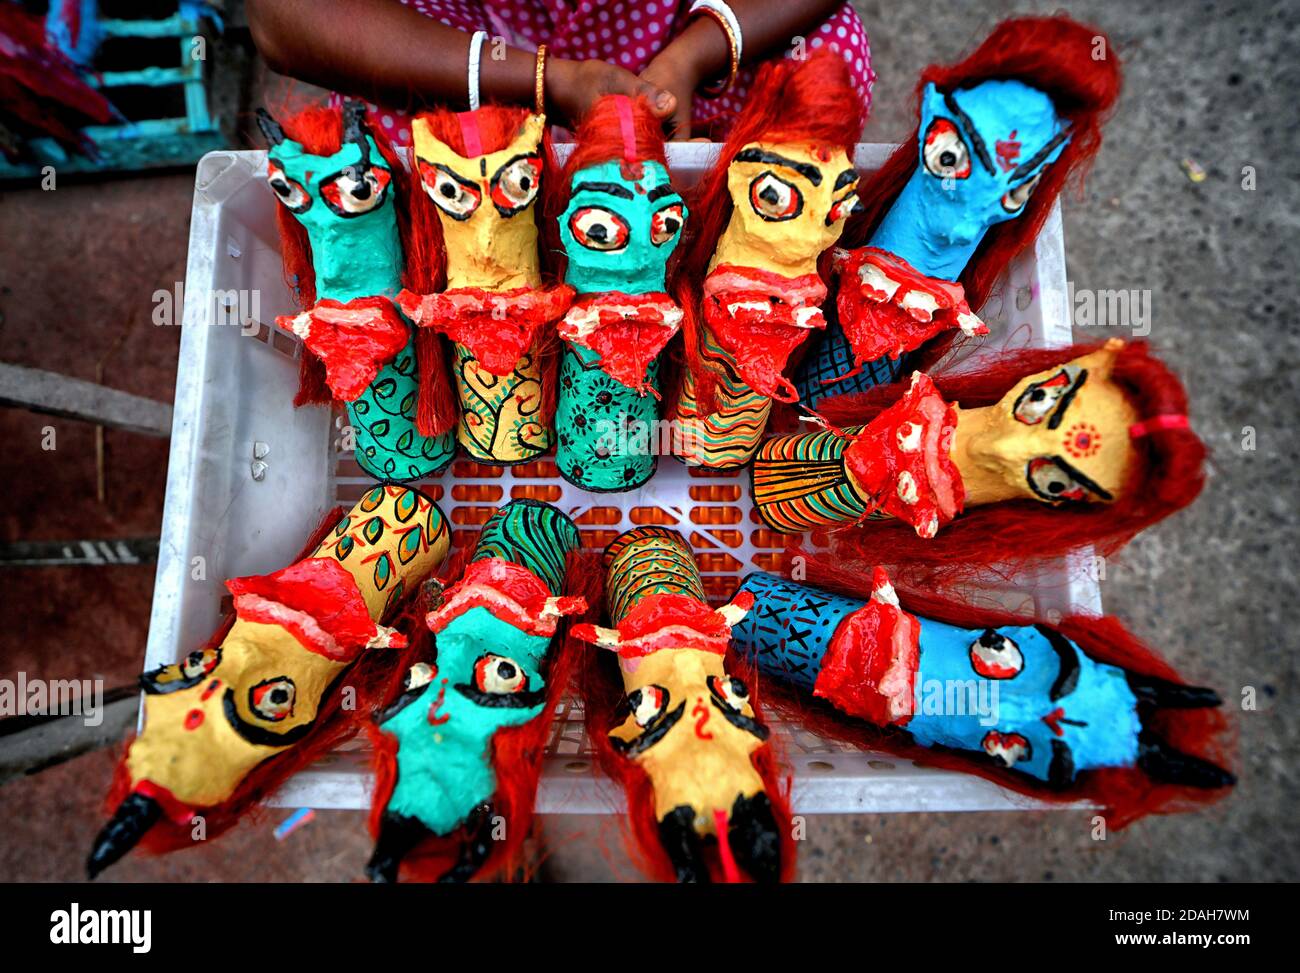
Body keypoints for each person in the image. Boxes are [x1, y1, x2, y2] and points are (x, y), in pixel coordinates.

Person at [247, 0, 874, 141]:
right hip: (481, 58)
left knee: (825, 59)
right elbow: (282, 17)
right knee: (378, 138)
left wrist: (696, 52)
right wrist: (544, 83)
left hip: (682, 41)